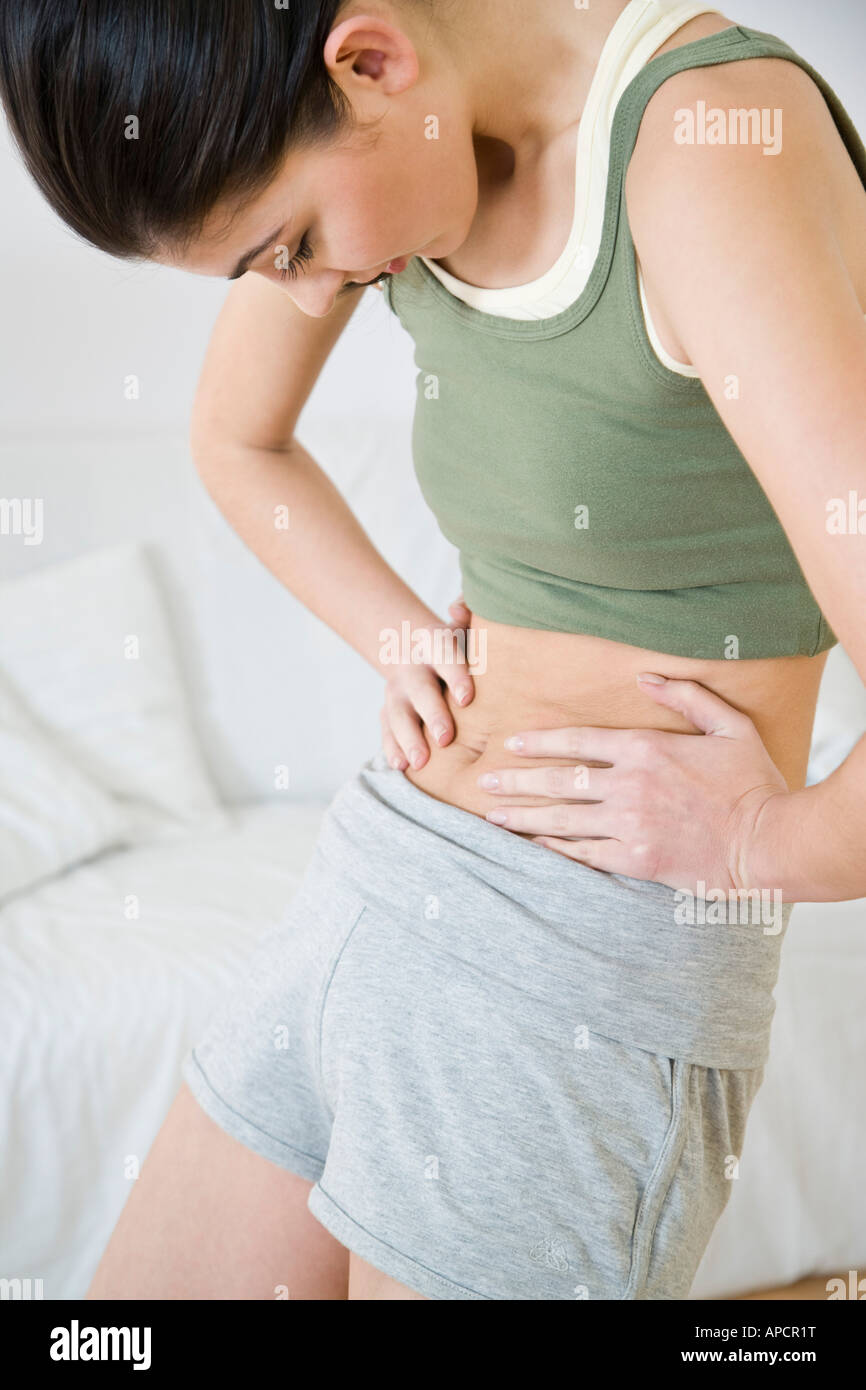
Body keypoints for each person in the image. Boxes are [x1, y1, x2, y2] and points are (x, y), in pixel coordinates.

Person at [2, 0, 864, 1300]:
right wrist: (397, 637)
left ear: (369, 59)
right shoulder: (392, 170)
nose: (302, 290)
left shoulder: (698, 145)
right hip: (369, 878)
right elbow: (237, 441)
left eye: (287, 242)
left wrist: (757, 848)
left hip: (572, 966)